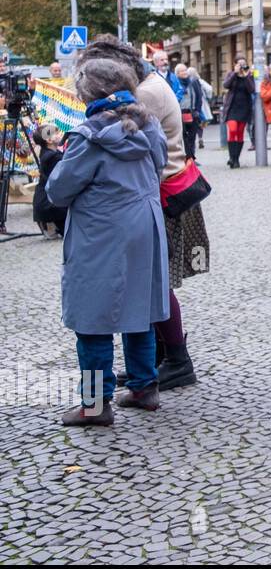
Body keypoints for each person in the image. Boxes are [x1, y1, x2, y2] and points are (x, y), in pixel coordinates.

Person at [45, 58, 168, 427]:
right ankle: (145, 387)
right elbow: (159, 167)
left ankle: (95, 404)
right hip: (145, 225)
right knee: (140, 306)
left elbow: (58, 191)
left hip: (102, 231)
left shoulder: (89, 138)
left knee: (92, 317)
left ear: (88, 94)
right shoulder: (150, 127)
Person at [82, 35, 206, 393]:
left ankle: (177, 361)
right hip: (159, 191)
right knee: (152, 281)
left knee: (155, 282)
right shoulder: (149, 84)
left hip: (158, 193)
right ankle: (156, 361)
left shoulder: (145, 94)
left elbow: (114, 137)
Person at [32, 123, 68, 238]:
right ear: (49, 140)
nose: (59, 134)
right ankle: (50, 224)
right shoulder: (52, 157)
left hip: (46, 202)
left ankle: (51, 225)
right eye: (56, 133)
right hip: (48, 205)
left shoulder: (48, 153)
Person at [222, 57, 256, 167]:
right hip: (232, 108)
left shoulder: (249, 76)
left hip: (244, 108)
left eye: (244, 64)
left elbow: (252, 90)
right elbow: (226, 85)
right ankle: (231, 157)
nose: (242, 66)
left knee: (240, 133)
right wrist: (235, 74)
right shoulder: (231, 74)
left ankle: (236, 159)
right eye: (240, 64)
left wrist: (246, 76)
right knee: (232, 130)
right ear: (235, 64)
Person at [175, 63, 206, 160]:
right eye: (182, 71)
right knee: (183, 138)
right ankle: (186, 158)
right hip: (180, 114)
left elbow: (199, 96)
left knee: (192, 137)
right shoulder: (176, 83)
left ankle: (192, 158)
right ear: (177, 73)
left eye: (185, 70)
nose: (184, 72)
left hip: (192, 113)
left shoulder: (193, 82)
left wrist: (197, 110)